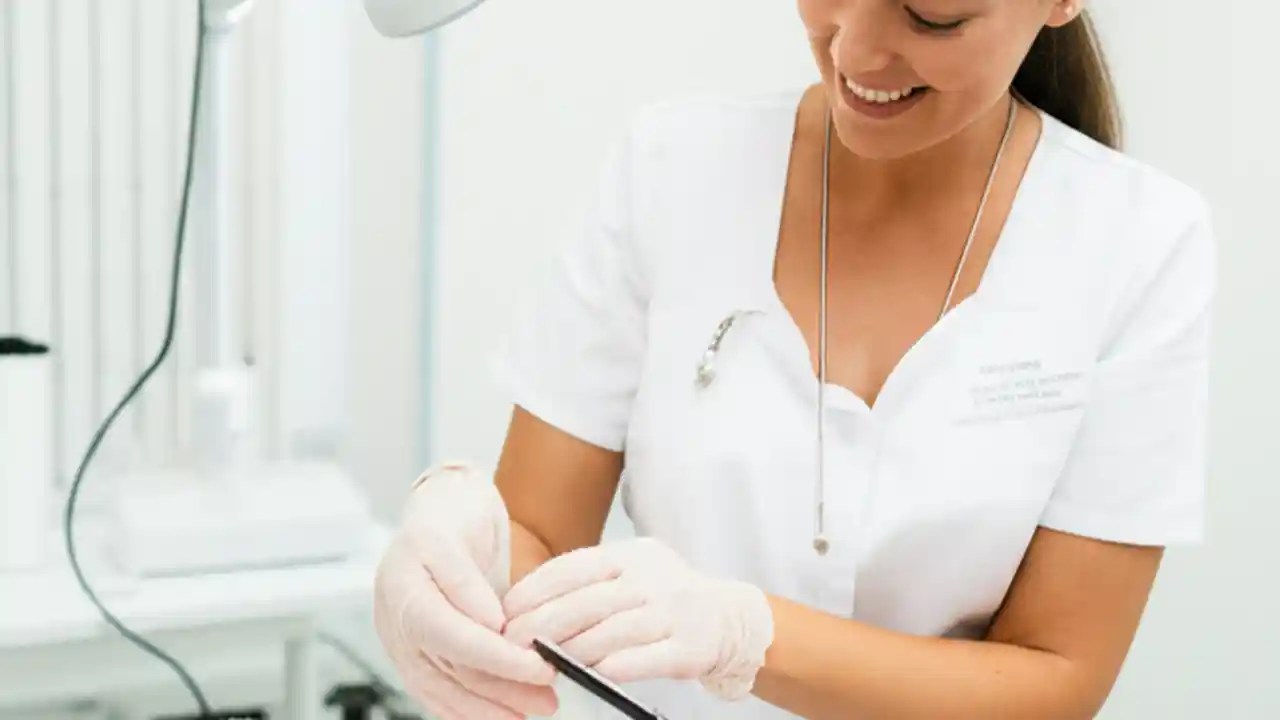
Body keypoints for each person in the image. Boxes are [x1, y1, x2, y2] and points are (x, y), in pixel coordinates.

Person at [373, 1, 1216, 718]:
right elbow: (537, 538)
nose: (854, 49)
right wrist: (457, 559)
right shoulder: (673, 168)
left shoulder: (1139, 245)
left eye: (932, 16)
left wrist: (752, 634)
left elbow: (1056, 679)